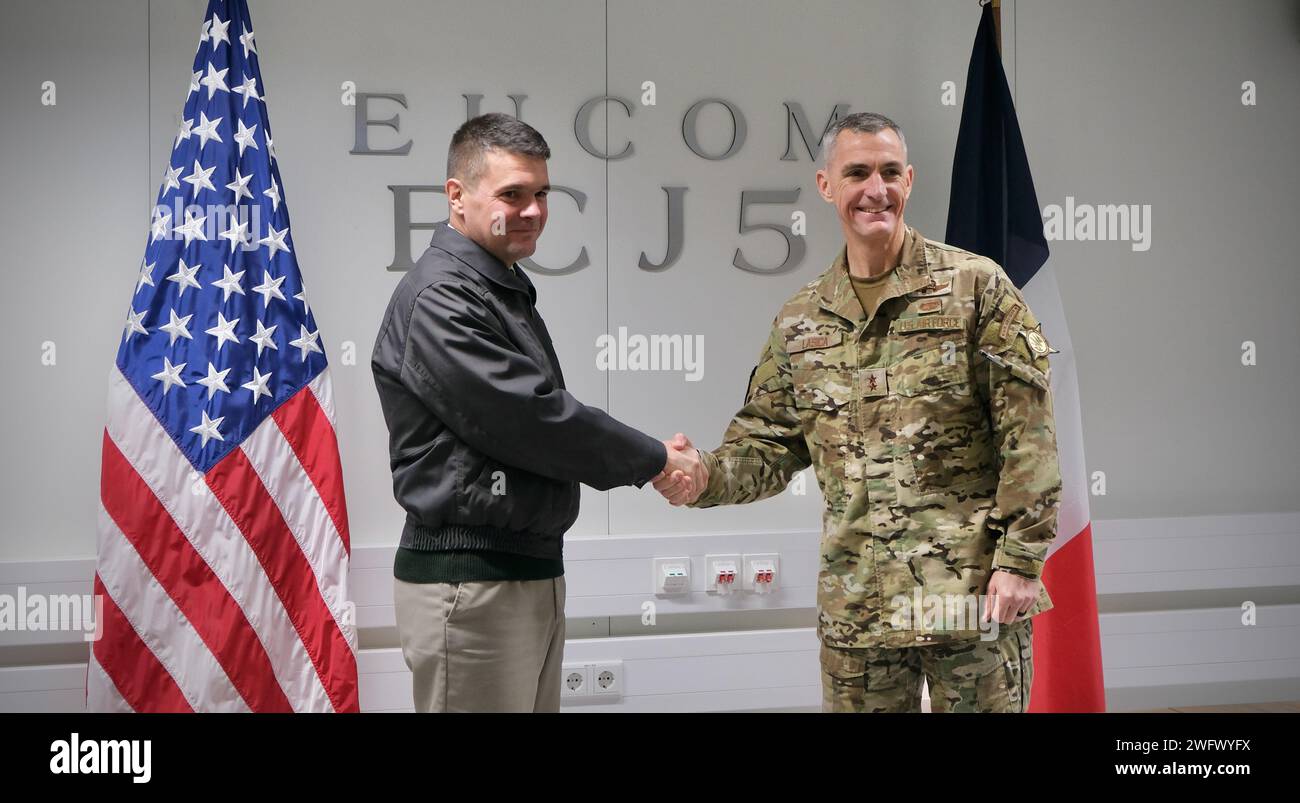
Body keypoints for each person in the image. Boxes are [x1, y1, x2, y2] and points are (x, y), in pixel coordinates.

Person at [656, 112, 1061, 713]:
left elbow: (1027, 439)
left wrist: (1022, 561)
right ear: (826, 186)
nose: (877, 189)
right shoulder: (803, 320)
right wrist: (701, 476)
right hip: (860, 611)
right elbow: (768, 446)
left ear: (910, 180)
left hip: (971, 597)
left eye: (890, 172)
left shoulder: (978, 289)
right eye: (858, 173)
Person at [371, 113, 705, 712]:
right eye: (512, 194)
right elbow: (533, 419)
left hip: (520, 572)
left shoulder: (497, 287)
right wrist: (656, 458)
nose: (532, 210)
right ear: (457, 196)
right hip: (471, 582)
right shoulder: (442, 296)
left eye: (541, 193)